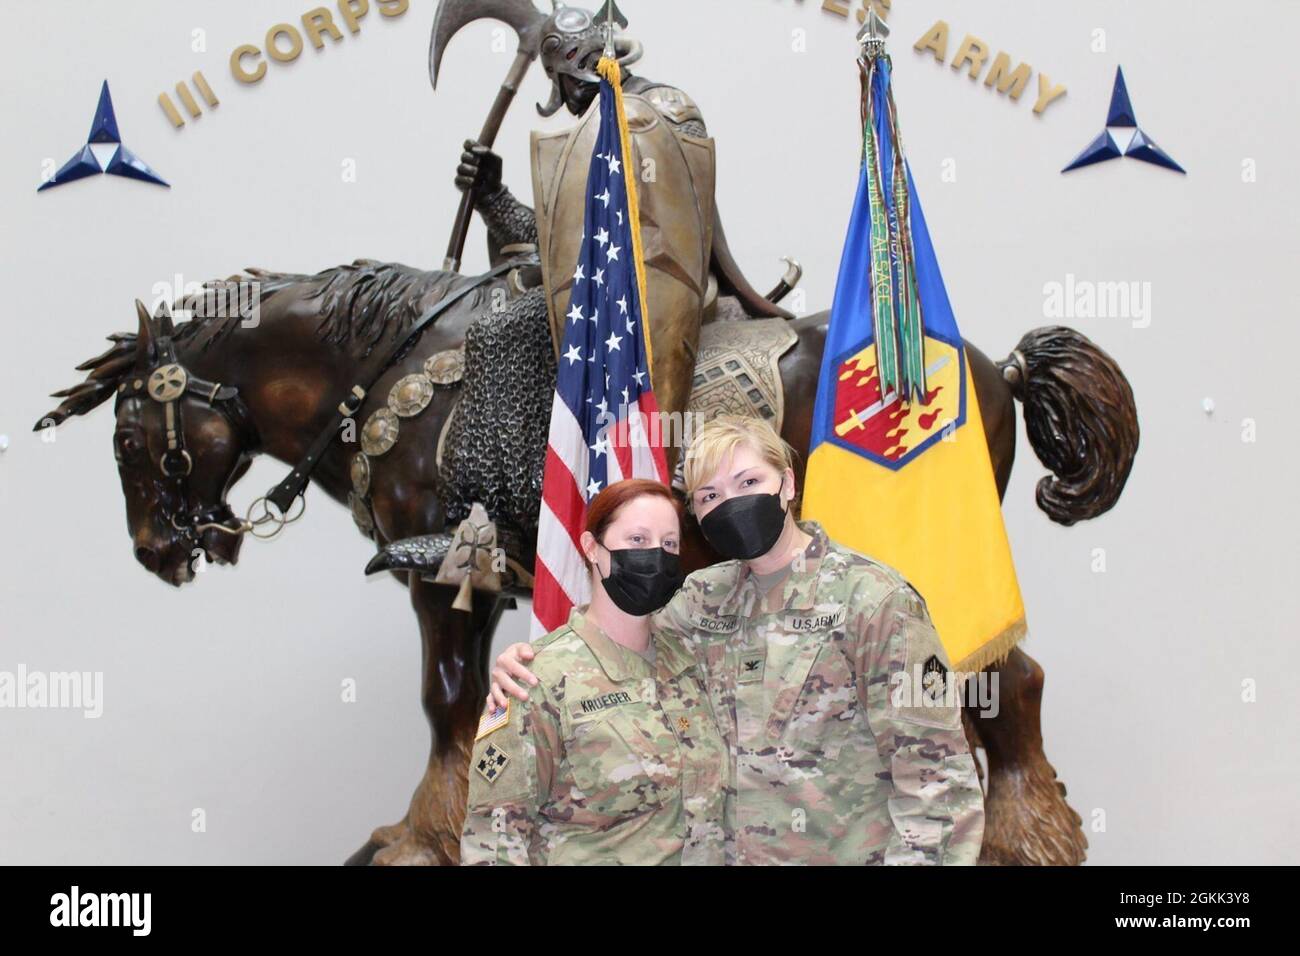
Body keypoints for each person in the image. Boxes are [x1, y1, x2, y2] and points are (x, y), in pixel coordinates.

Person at [490, 415, 986, 865]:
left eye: (748, 482)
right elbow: (614, 641)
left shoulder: (877, 602)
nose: (731, 503)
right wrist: (531, 662)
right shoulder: (701, 599)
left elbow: (938, 783)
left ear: (787, 484)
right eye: (709, 496)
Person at [460, 479, 728, 865]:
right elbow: (493, 841)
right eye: (637, 539)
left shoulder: (690, 663)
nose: (656, 554)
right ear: (591, 548)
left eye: (669, 544)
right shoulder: (536, 680)